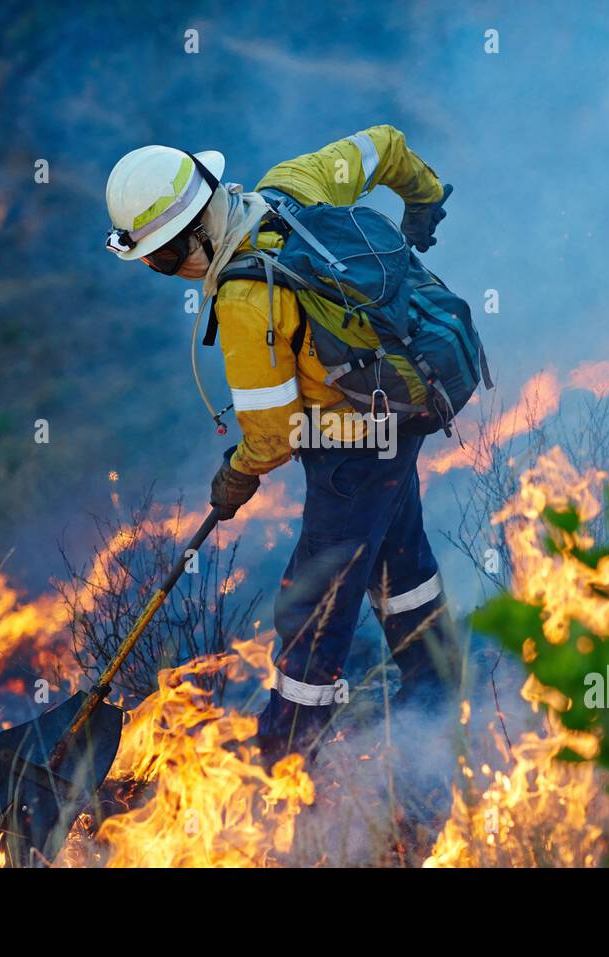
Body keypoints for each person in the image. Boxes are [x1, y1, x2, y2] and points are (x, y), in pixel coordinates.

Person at [105, 126, 458, 763]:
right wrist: (424, 200)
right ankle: (436, 687)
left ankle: (285, 755)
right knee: (397, 562)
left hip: (351, 449)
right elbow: (385, 144)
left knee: (314, 604)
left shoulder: (244, 298)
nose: (164, 272)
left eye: (159, 257)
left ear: (196, 234)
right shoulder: (292, 186)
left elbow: (270, 438)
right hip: (402, 414)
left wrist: (234, 478)